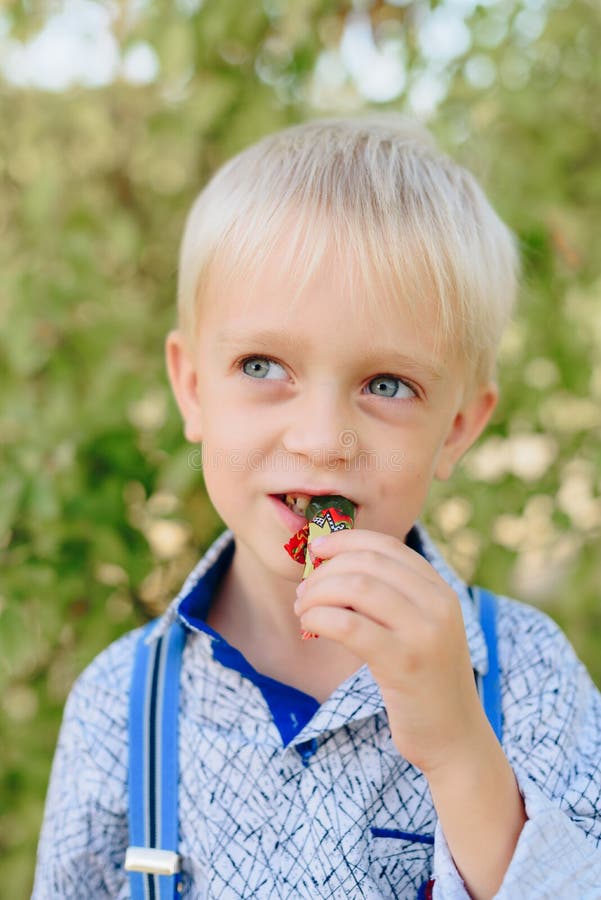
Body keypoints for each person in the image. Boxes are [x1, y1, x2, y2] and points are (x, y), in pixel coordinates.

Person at [33, 116, 601, 899]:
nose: (322, 440)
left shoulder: (529, 678)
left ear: (458, 428)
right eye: (262, 365)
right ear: (193, 387)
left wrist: (461, 750)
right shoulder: (119, 706)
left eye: (387, 385)